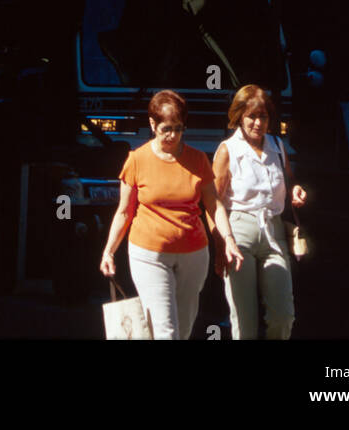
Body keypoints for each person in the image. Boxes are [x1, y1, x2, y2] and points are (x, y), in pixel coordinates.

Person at [100, 90, 243, 340]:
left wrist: (229, 239)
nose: (173, 135)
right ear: (152, 124)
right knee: (167, 332)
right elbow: (124, 212)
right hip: (149, 254)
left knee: (184, 329)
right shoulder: (137, 160)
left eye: (178, 128)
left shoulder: (198, 160)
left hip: (194, 255)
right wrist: (109, 251)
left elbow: (214, 204)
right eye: (166, 128)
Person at [212, 84, 307, 340]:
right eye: (251, 116)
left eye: (263, 116)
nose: (257, 123)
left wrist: (295, 190)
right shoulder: (227, 150)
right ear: (239, 117)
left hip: (274, 232)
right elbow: (214, 201)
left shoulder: (278, 146)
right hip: (239, 230)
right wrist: (221, 245)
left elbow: (289, 180)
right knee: (245, 323)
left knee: (283, 316)